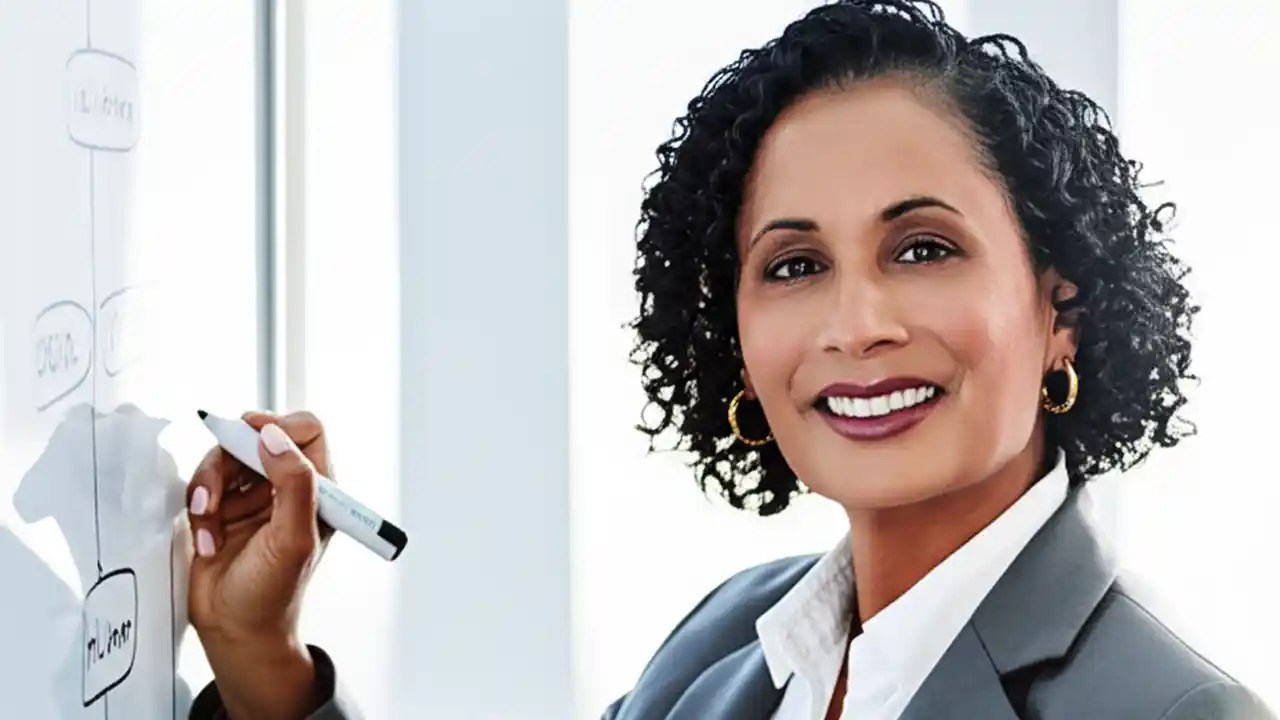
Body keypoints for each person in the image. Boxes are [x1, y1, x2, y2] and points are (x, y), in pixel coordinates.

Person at [184, 1, 1277, 718]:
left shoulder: (1170, 713)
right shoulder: (725, 643)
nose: (855, 324)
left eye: (922, 247)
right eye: (793, 265)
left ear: (1060, 315)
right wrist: (259, 655)